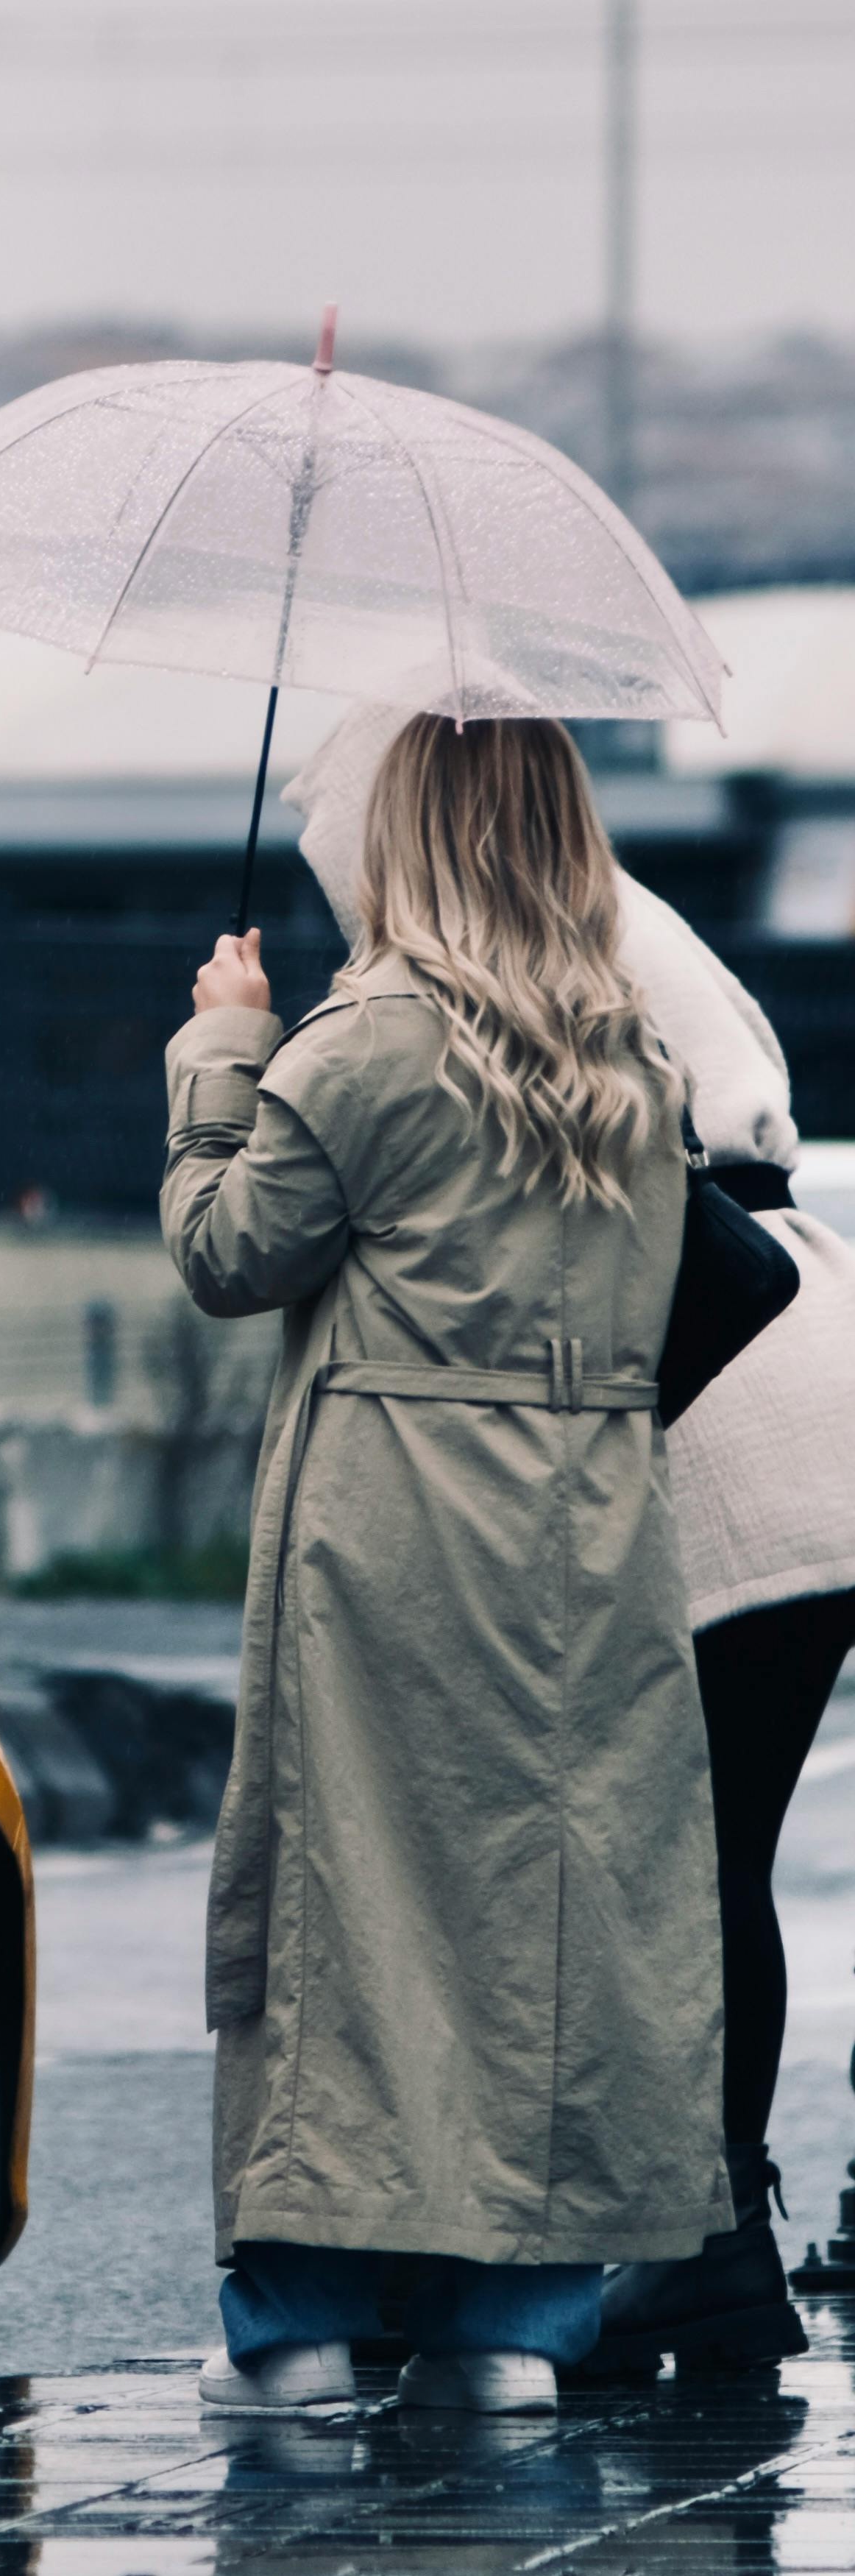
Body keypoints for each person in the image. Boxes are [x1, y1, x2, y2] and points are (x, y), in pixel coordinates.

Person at [166, 712, 729, 2417]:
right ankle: (519, 2328)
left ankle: (304, 2318)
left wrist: (219, 1052)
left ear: (400, 837)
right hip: (589, 1521)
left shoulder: (362, 1046)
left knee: (352, 1894)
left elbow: (222, 1254)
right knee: (565, 1904)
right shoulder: (630, 1061)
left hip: (391, 1512)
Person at [290, 706, 855, 2376]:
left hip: (701, 1378)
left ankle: (634, 2248)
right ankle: (712, 2243)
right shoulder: (607, 907)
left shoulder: (478, 955)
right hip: (801, 1354)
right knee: (710, 1857)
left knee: (634, 1868)